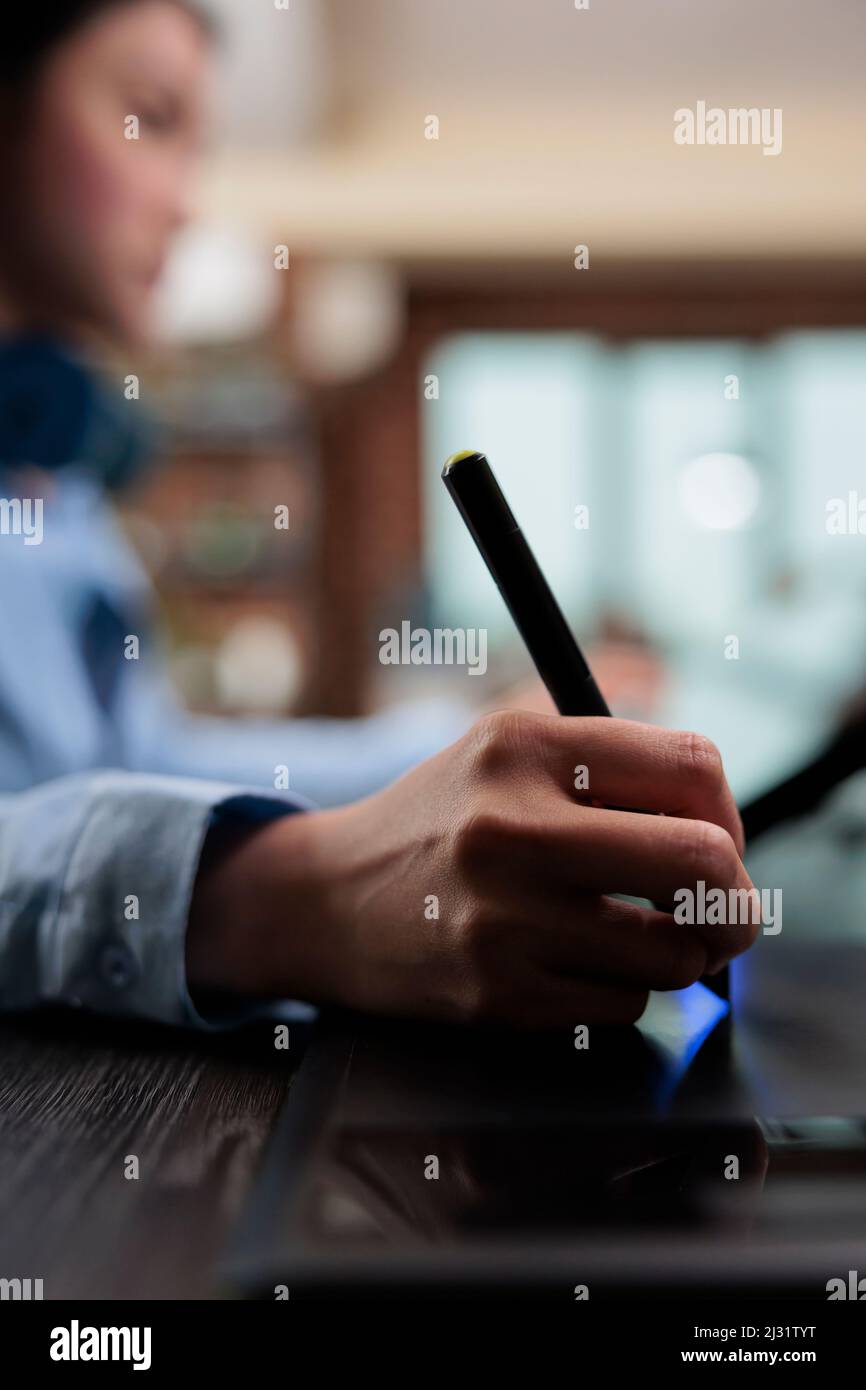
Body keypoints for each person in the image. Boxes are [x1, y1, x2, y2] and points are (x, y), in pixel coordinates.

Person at [0, 0, 758, 1036]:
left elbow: (144, 758)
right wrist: (285, 894)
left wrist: (474, 745)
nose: (186, 202)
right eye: (149, 119)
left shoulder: (62, 491)